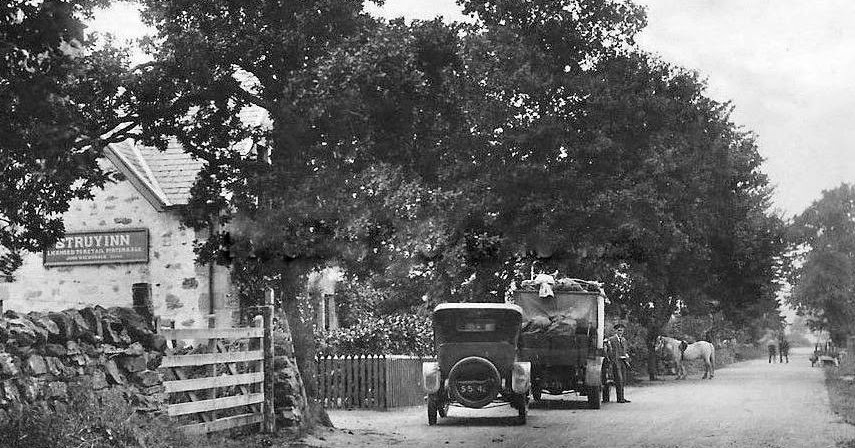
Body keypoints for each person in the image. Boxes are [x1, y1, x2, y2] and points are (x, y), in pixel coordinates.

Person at [605, 323, 631, 403]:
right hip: (615, 362)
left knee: (623, 380)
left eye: (622, 330)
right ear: (615, 331)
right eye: (619, 330)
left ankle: (621, 397)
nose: (620, 332)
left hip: (623, 361)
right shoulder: (611, 339)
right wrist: (611, 359)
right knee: (619, 379)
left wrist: (626, 356)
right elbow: (608, 350)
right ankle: (620, 398)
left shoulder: (623, 340)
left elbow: (625, 350)